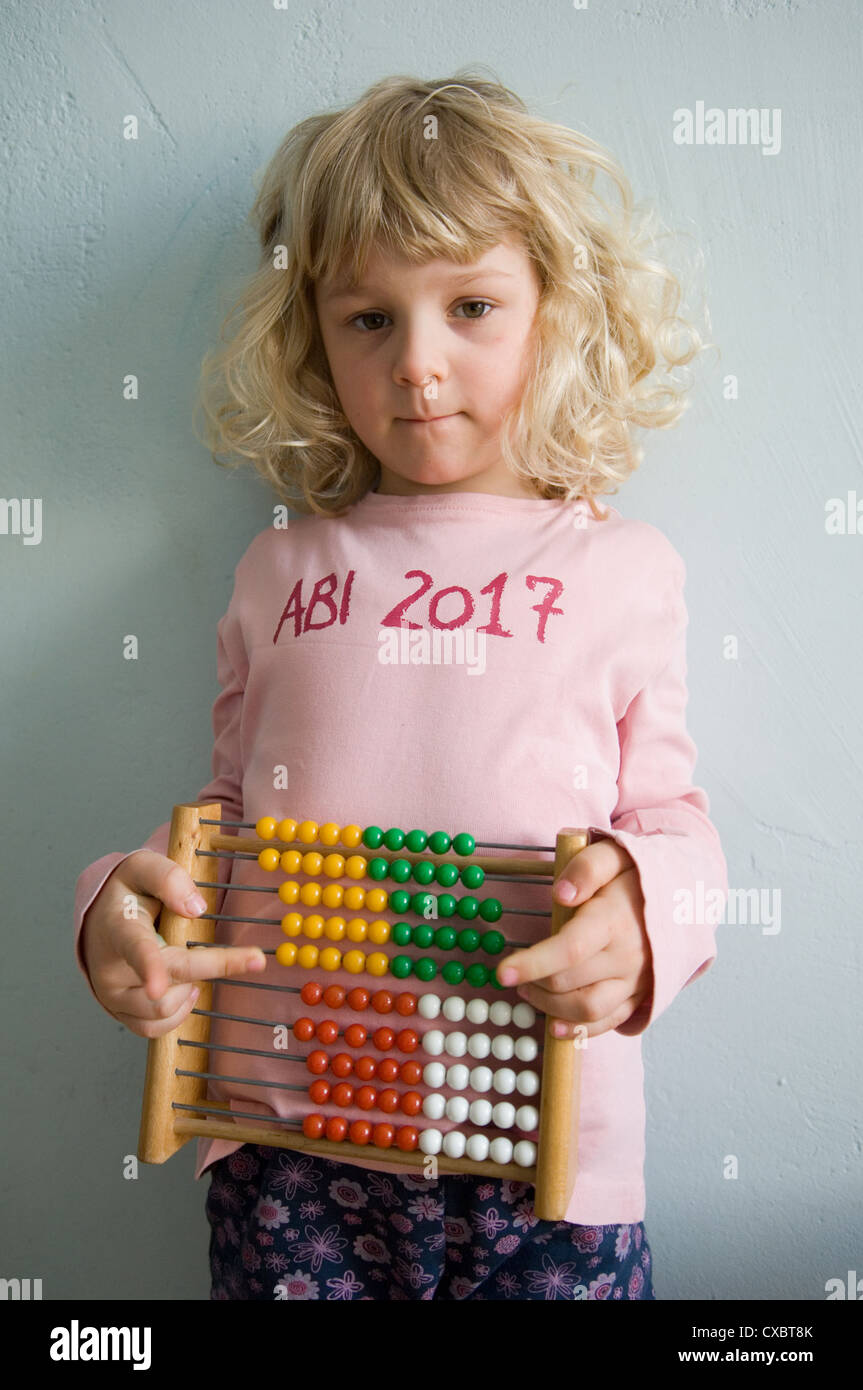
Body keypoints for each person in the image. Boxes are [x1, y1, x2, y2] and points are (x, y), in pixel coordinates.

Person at [74, 71, 728, 1301]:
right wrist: (115, 901)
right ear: (312, 338)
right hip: (286, 1144)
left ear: (555, 313)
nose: (418, 367)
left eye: (471, 305)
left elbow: (676, 822)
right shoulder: (280, 566)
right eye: (367, 318)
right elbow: (225, 816)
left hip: (540, 1150)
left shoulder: (619, 569)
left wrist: (643, 914)